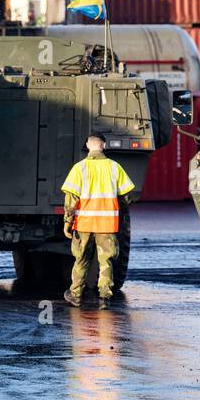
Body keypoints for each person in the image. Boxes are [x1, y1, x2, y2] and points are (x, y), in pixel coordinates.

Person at [60, 132, 135, 309]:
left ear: (87, 146)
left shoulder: (79, 168)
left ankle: (76, 294)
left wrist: (67, 222)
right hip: (107, 224)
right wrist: (121, 211)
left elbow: (71, 200)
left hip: (84, 223)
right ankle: (104, 298)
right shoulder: (115, 168)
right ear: (104, 145)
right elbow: (126, 196)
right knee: (106, 260)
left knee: (81, 259)